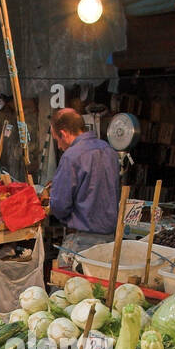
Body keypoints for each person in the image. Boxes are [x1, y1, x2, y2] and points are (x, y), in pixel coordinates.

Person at [47, 108, 120, 253]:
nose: (59, 146)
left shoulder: (71, 156)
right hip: (110, 240)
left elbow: (60, 205)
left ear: (63, 134)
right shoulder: (109, 151)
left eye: (57, 140)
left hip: (82, 241)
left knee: (68, 275)